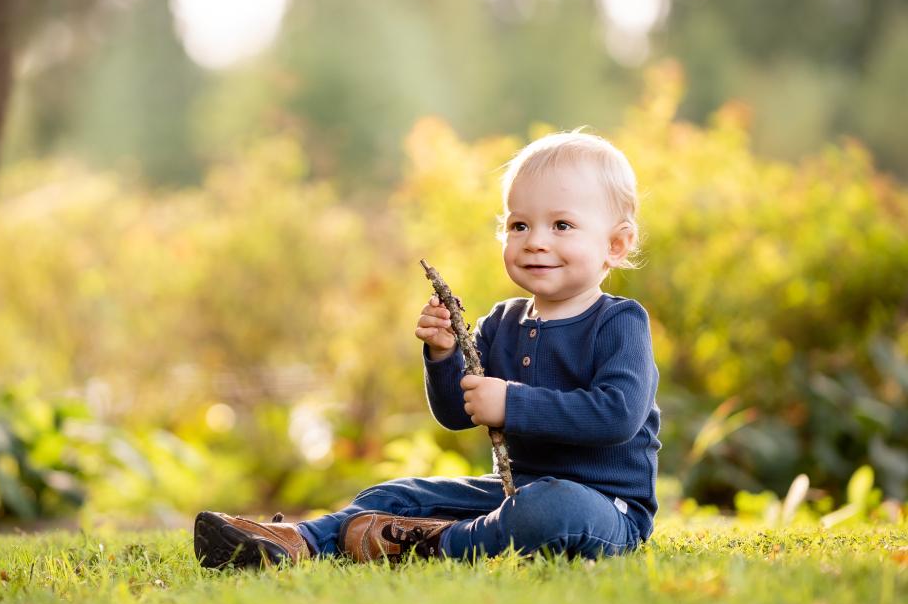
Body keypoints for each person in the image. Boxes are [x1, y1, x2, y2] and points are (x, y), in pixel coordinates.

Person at [193, 130, 661, 568]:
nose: (535, 241)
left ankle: (434, 543)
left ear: (615, 246)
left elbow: (616, 415)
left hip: (604, 508)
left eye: (561, 225)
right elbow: (457, 413)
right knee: (398, 493)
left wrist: (510, 403)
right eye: (519, 225)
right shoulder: (504, 321)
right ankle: (298, 542)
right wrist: (444, 356)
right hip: (511, 492)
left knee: (549, 508)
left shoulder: (619, 323)